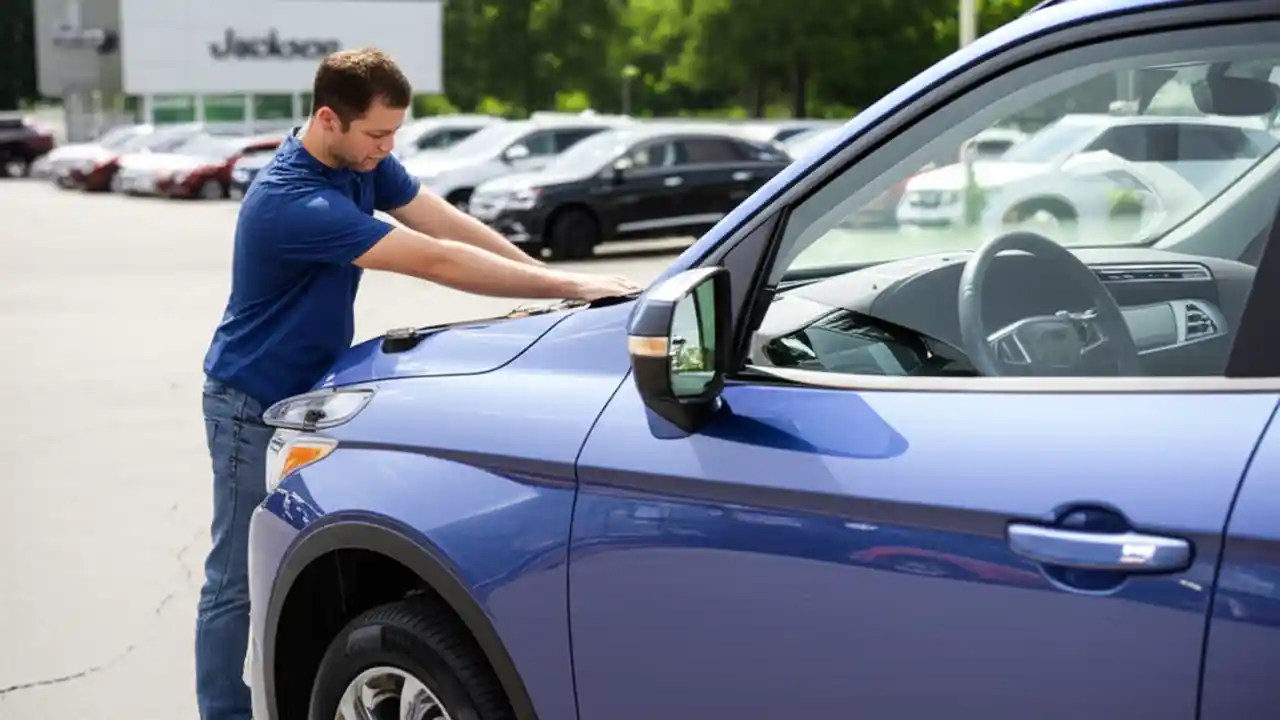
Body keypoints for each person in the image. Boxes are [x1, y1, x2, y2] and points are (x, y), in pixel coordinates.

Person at [196, 47, 640, 720]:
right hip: (247, 403)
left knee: (281, 562)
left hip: (304, 402)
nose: (388, 148)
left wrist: (552, 290)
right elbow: (432, 258)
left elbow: (444, 223)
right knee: (234, 582)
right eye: (378, 134)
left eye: (394, 134)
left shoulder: (360, 162)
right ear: (328, 120)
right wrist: (571, 281)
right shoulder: (294, 201)